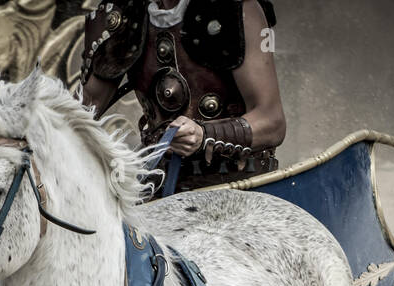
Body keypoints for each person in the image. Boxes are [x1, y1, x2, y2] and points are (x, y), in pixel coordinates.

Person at [80, 0, 284, 192]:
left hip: (240, 188)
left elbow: (272, 123)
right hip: (157, 189)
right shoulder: (123, 14)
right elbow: (79, 116)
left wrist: (204, 135)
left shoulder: (238, 9)